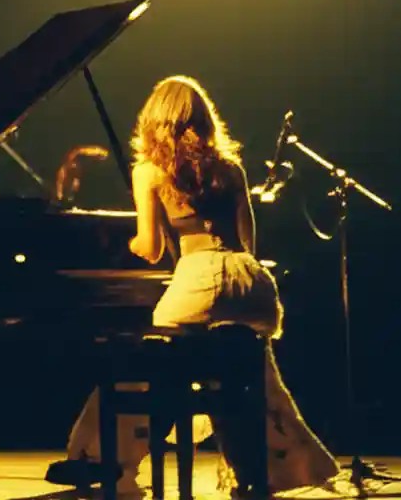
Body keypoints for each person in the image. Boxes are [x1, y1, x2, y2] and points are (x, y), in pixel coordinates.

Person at [47, 76, 340, 496]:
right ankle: (285, 468)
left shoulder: (149, 170)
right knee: (248, 371)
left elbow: (148, 247)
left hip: (199, 279)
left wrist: (134, 240)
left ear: (155, 120)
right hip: (251, 283)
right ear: (204, 119)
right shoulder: (231, 169)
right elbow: (247, 245)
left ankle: (98, 460)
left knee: (140, 367)